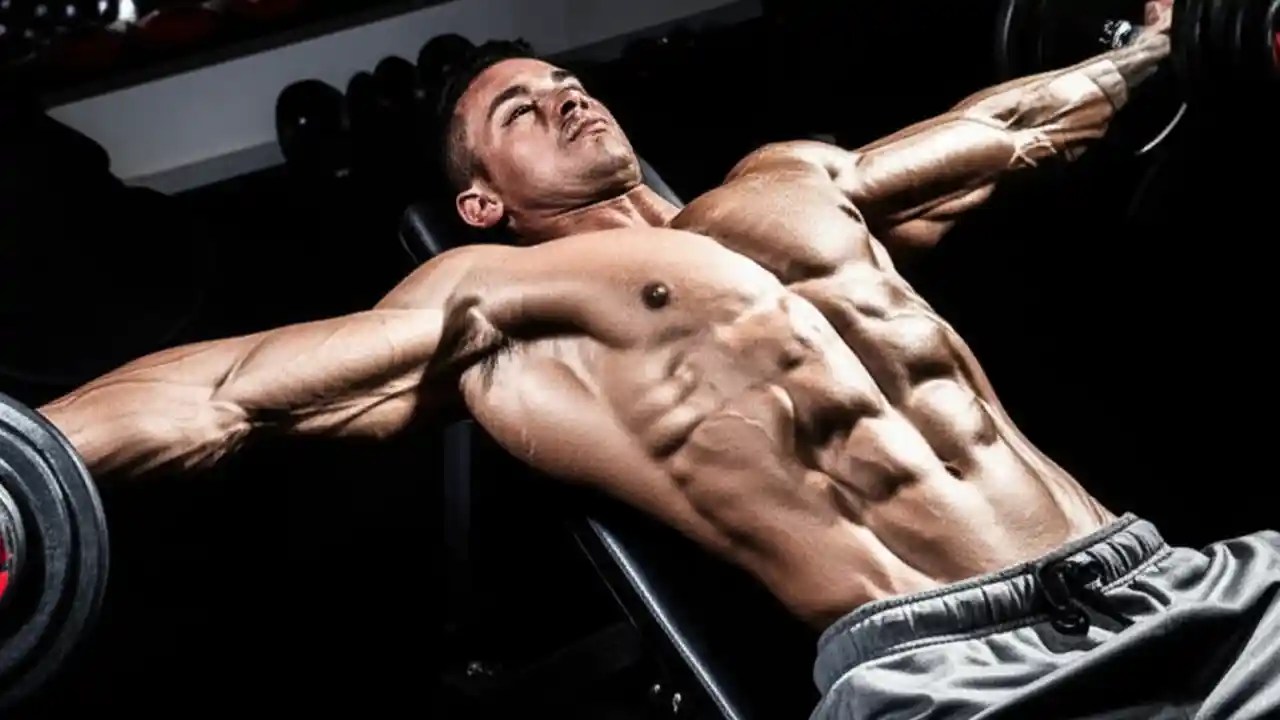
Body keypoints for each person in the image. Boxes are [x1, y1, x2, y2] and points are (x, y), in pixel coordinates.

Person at [38, 3, 1280, 717]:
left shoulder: (794, 184)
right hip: (948, 672)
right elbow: (226, 392)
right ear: (478, 201)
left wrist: (1167, 42)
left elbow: (1007, 129)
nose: (566, 100)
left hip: (1160, 571)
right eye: (517, 111)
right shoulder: (497, 295)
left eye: (568, 81)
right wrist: (30, 454)